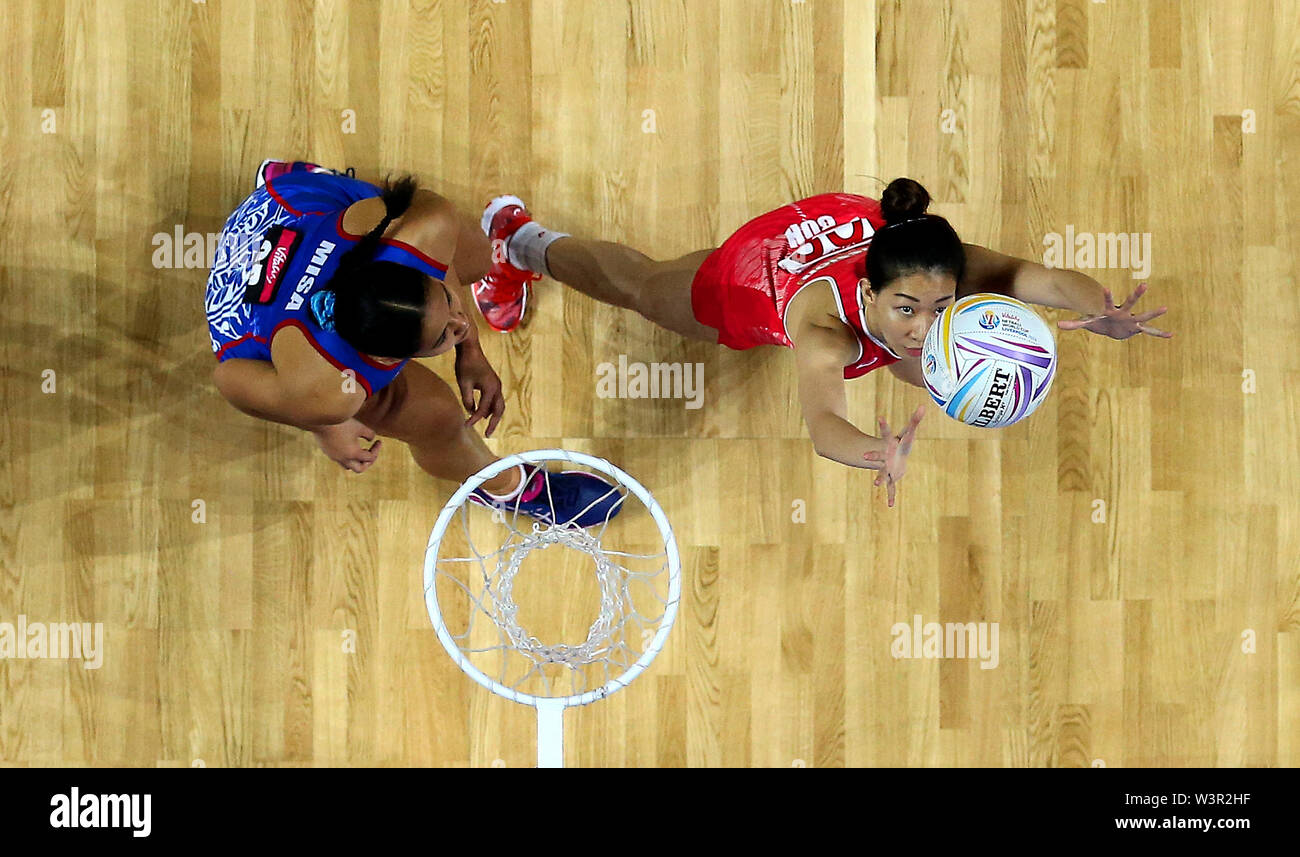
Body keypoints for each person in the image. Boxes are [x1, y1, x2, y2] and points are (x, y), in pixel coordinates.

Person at [469, 177, 1171, 507]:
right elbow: (824, 423)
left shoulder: (932, 261)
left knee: (924, 361)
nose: (929, 322)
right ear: (868, 293)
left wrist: (1104, 308)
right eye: (906, 308)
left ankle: (526, 243)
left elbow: (1045, 280)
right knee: (648, 287)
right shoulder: (823, 329)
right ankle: (520, 242)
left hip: (835, 229)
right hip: (760, 275)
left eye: (941, 304)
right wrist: (877, 451)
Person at [205, 160, 623, 526]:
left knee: (477, 255)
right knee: (438, 419)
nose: (462, 323)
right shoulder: (325, 386)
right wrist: (323, 426)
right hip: (242, 310)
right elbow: (228, 379)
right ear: (386, 358)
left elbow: (435, 259)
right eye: (444, 336)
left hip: (285, 205)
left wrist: (470, 348)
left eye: (445, 301)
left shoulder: (425, 227)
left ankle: (303, 175)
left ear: (405, 264)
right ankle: (509, 488)